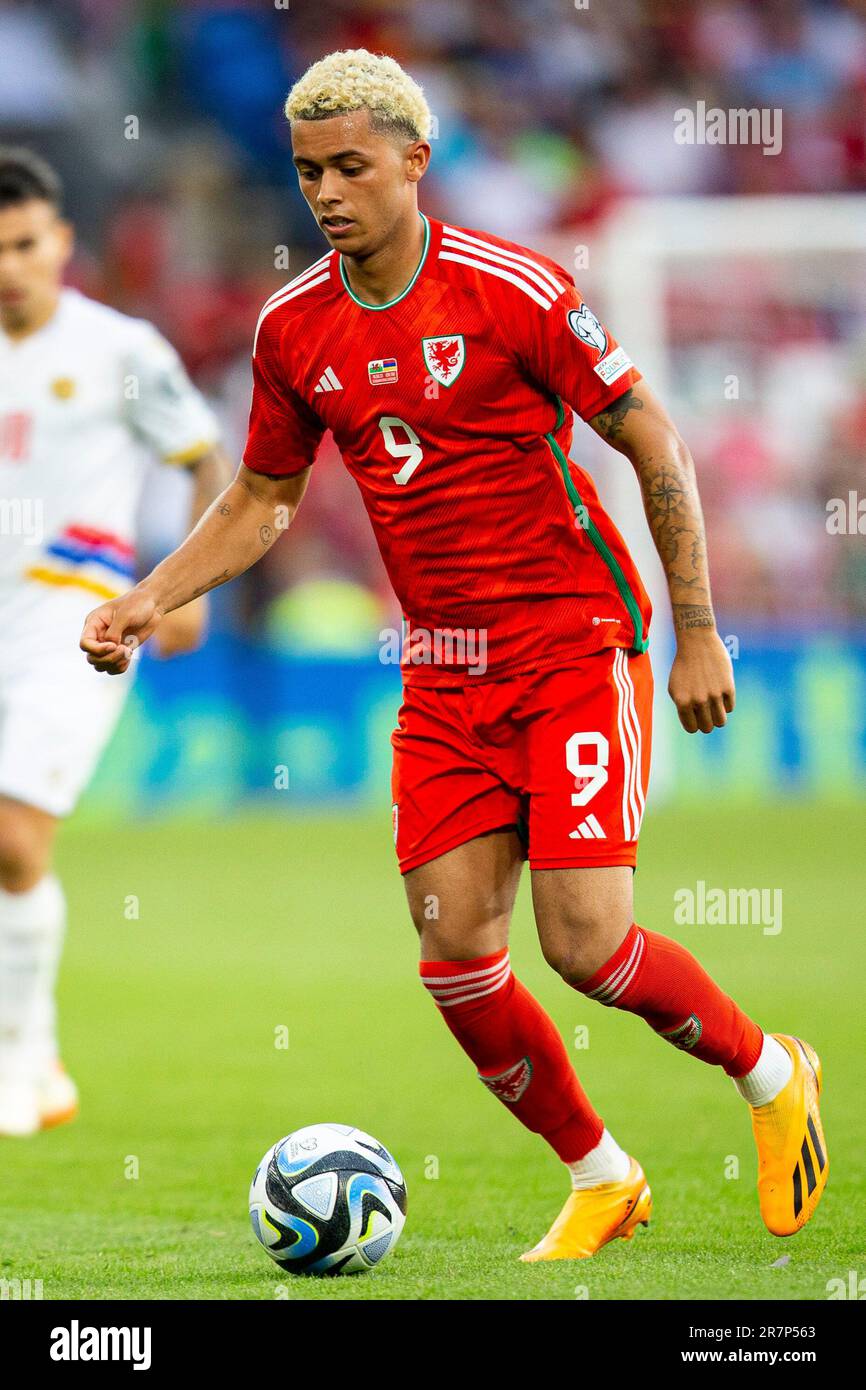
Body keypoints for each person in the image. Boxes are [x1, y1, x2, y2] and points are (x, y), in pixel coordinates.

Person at [80, 51, 827, 1259]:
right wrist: (146, 595)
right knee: (455, 959)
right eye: (308, 170)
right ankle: (601, 1175)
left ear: (413, 163)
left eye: (351, 167)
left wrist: (696, 630)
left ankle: (764, 1067)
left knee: (582, 946)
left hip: (573, 645)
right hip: (442, 672)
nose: (325, 192)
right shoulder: (292, 328)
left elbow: (651, 443)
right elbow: (265, 498)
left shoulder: (513, 288)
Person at [0, 147, 231, 1136]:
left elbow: (205, 458)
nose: (9, 265)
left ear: (61, 245)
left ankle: (19, 1060)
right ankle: (40, 1063)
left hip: (78, 617)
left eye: (23, 244)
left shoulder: (118, 351)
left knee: (13, 837)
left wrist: (182, 587)